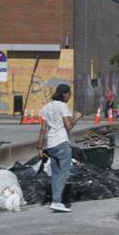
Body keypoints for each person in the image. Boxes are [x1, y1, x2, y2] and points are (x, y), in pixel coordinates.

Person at [37, 84, 76, 214]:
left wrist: (40, 147)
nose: (69, 97)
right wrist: (77, 117)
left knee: (56, 174)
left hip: (51, 144)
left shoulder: (46, 107)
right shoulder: (63, 106)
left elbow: (43, 129)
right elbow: (68, 126)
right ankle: (57, 201)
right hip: (62, 143)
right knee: (64, 173)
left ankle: (56, 200)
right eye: (69, 94)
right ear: (64, 94)